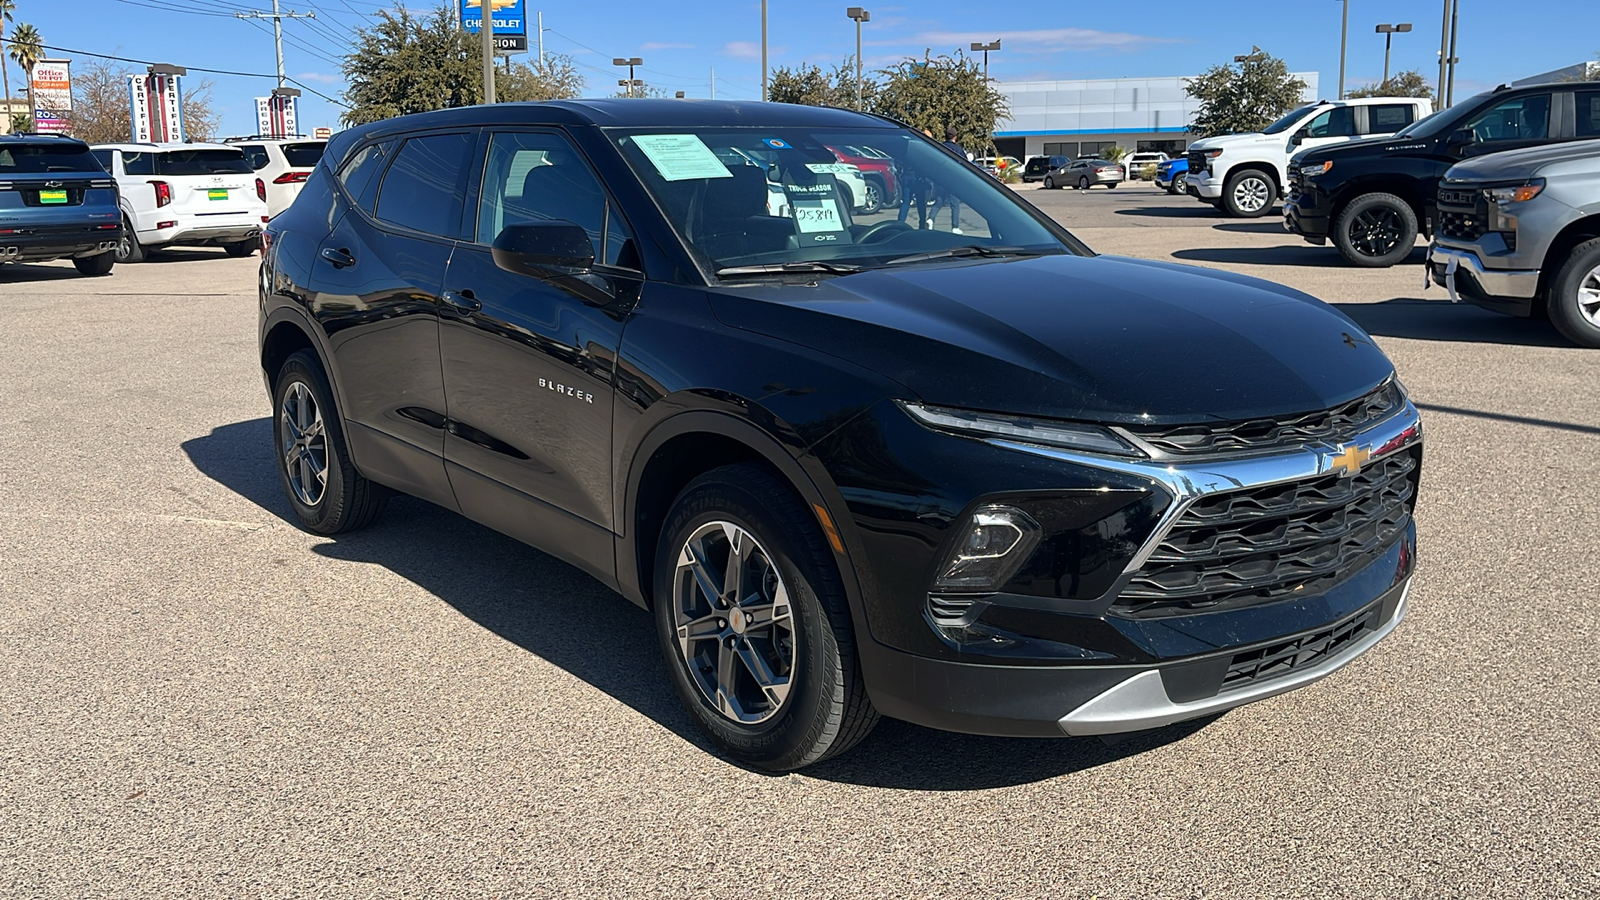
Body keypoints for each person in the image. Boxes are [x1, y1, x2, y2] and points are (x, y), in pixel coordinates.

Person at [929, 127, 970, 233]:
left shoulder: (940, 147)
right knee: (955, 204)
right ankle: (955, 227)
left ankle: (930, 219)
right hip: (954, 180)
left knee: (939, 201)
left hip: (941, 179)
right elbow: (965, 163)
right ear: (955, 137)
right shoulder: (958, 150)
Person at [897, 128, 934, 228]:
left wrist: (900, 174)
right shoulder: (922, 149)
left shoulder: (909, 146)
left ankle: (900, 223)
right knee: (921, 203)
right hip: (918, 178)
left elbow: (900, 161)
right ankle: (922, 225)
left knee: (906, 202)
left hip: (906, 176)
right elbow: (924, 165)